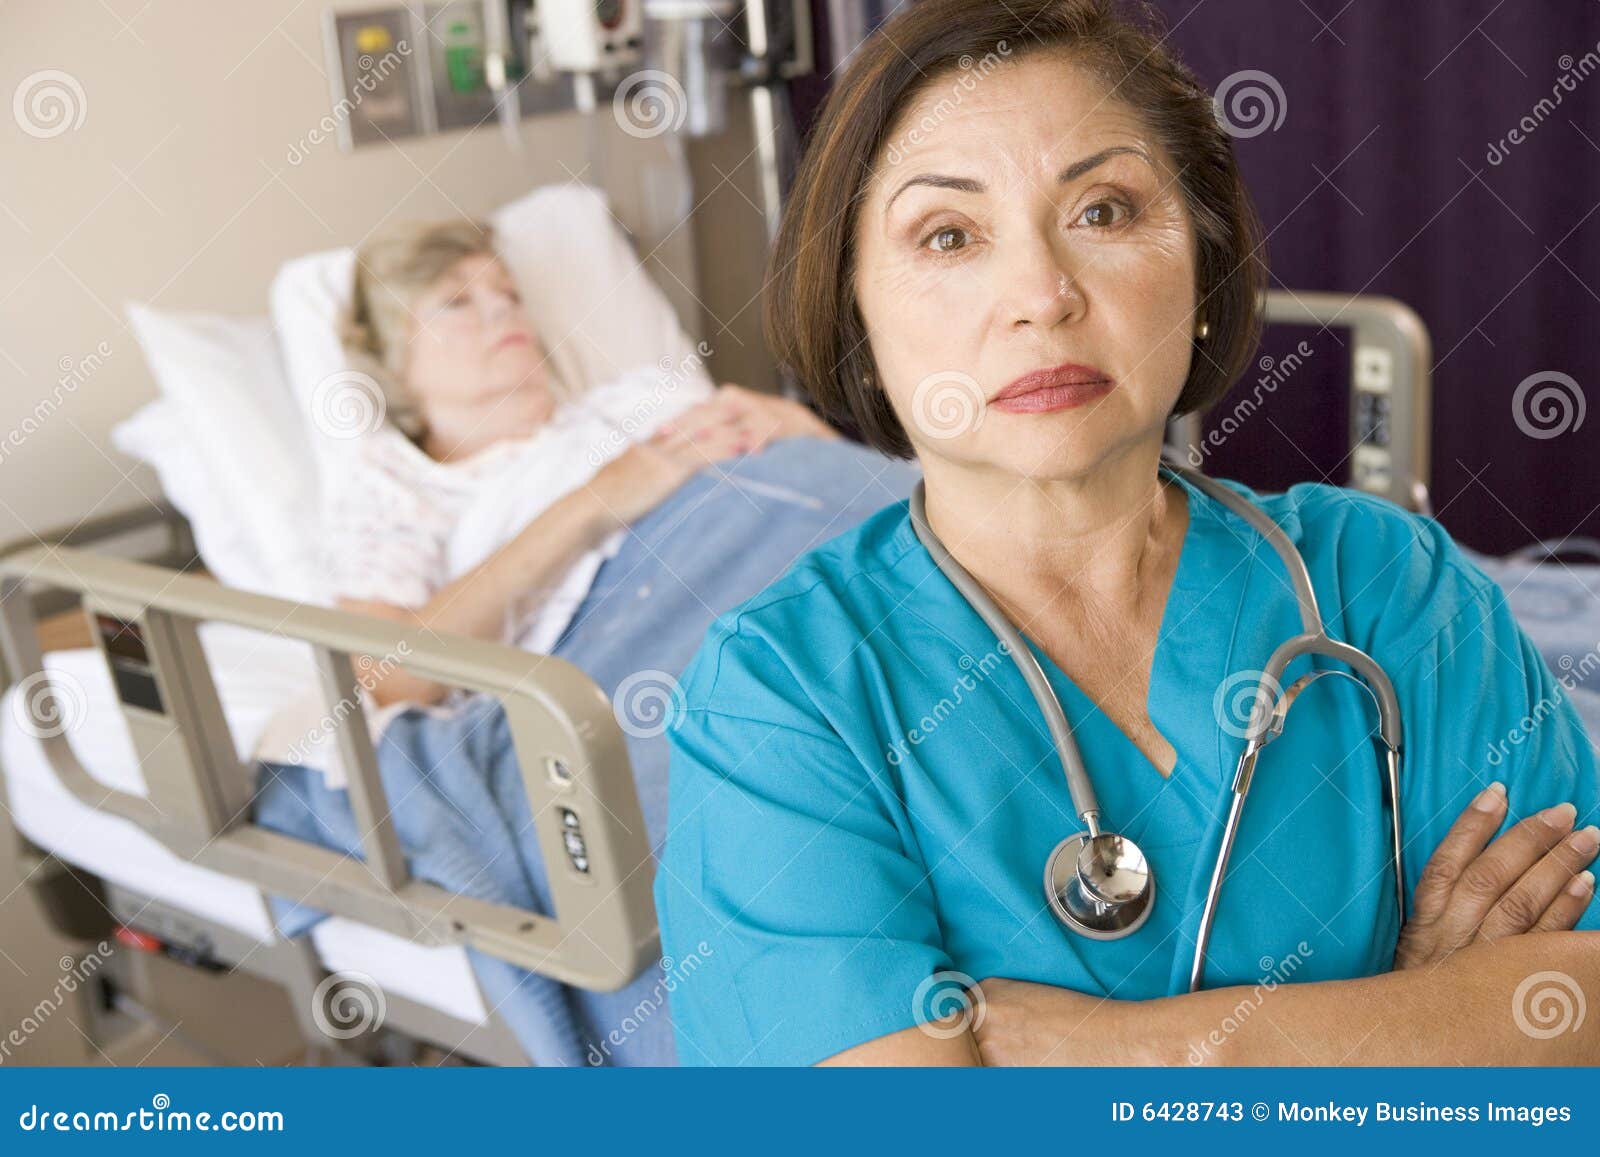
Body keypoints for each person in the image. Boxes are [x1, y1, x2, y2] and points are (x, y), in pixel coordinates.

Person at [653, 0, 1600, 1065]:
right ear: (856, 318)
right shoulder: (783, 691)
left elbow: (1577, 1011)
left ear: (1200, 265)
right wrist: (1417, 1019)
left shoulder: (1387, 581)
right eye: (949, 234)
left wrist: (1127, 1047)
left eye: (1102, 211)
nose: (1043, 296)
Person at [322, 218, 836, 706]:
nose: (503, 311)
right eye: (457, 301)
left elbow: (835, 467)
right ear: (389, 356)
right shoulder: (399, 486)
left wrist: (803, 428)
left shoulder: (637, 395)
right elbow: (390, 679)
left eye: (509, 294)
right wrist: (603, 498)